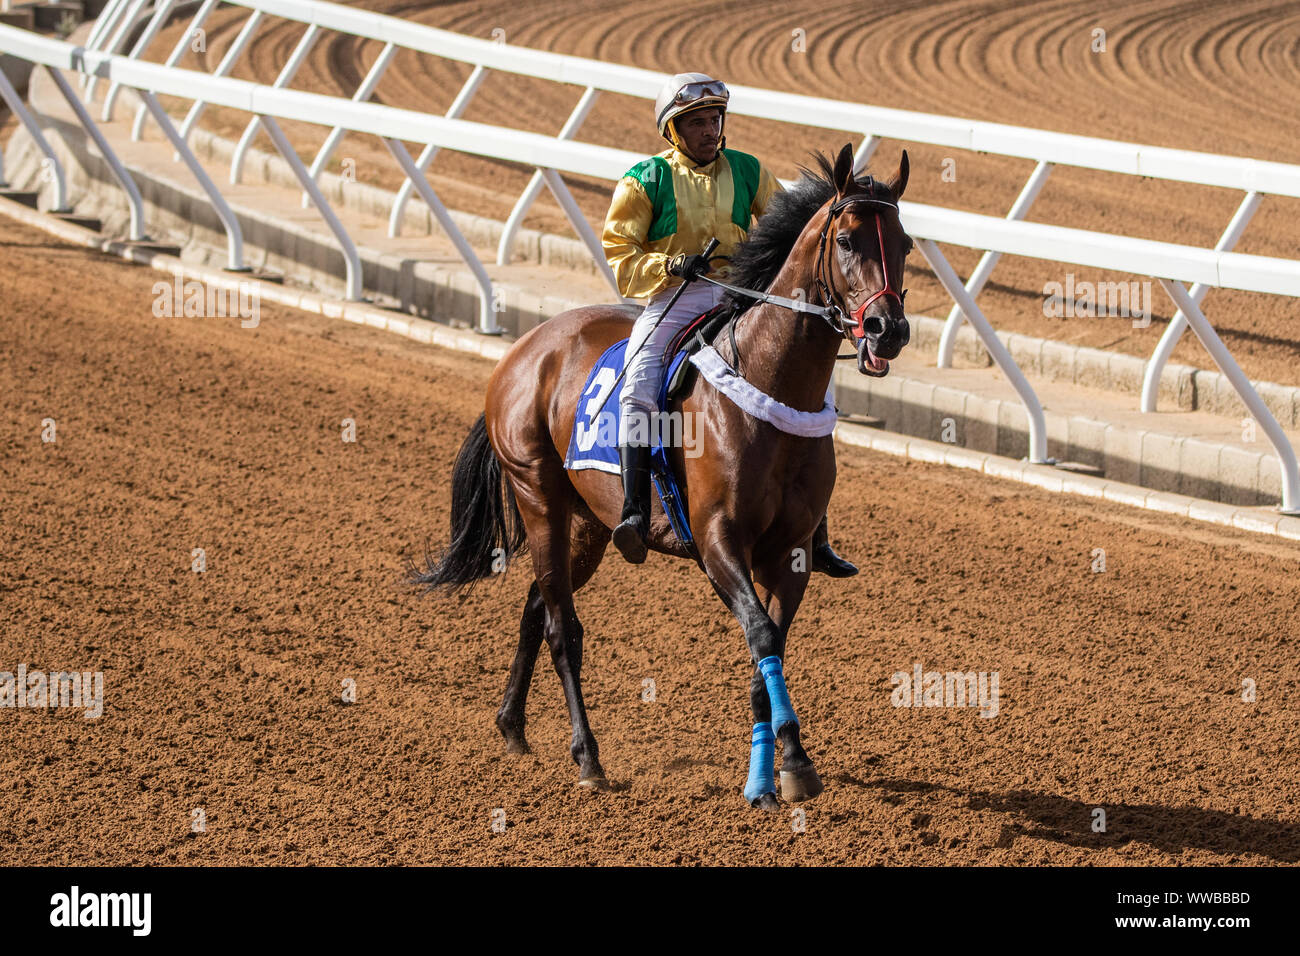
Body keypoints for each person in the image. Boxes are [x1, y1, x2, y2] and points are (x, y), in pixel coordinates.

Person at [600, 72, 857, 576]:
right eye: (696, 122)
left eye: (715, 119)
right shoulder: (645, 179)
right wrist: (671, 265)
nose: (709, 130)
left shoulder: (747, 171)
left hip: (743, 293)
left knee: (805, 388)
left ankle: (815, 532)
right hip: (675, 297)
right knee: (638, 386)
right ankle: (633, 511)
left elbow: (791, 233)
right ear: (673, 130)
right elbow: (620, 257)